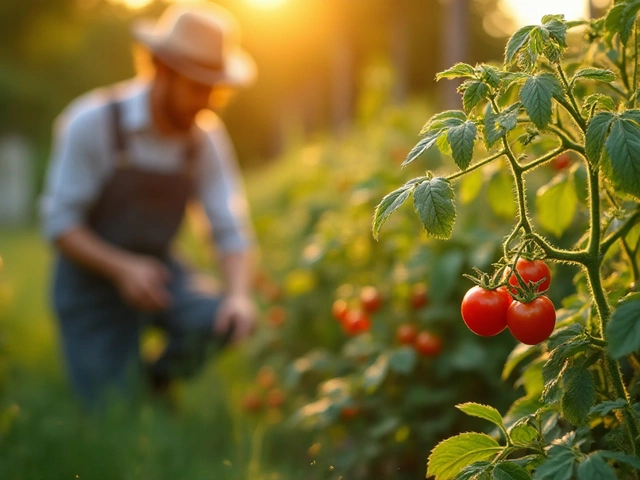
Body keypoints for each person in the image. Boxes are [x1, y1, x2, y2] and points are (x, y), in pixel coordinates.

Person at [40, 3, 258, 405]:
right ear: (161, 68)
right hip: (91, 284)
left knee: (221, 321)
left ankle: (155, 383)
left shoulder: (205, 137)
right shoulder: (91, 123)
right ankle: (120, 380)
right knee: (113, 414)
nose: (206, 102)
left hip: (159, 273)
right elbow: (59, 225)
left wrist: (239, 296)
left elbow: (230, 228)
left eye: (214, 90)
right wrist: (122, 268)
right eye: (197, 87)